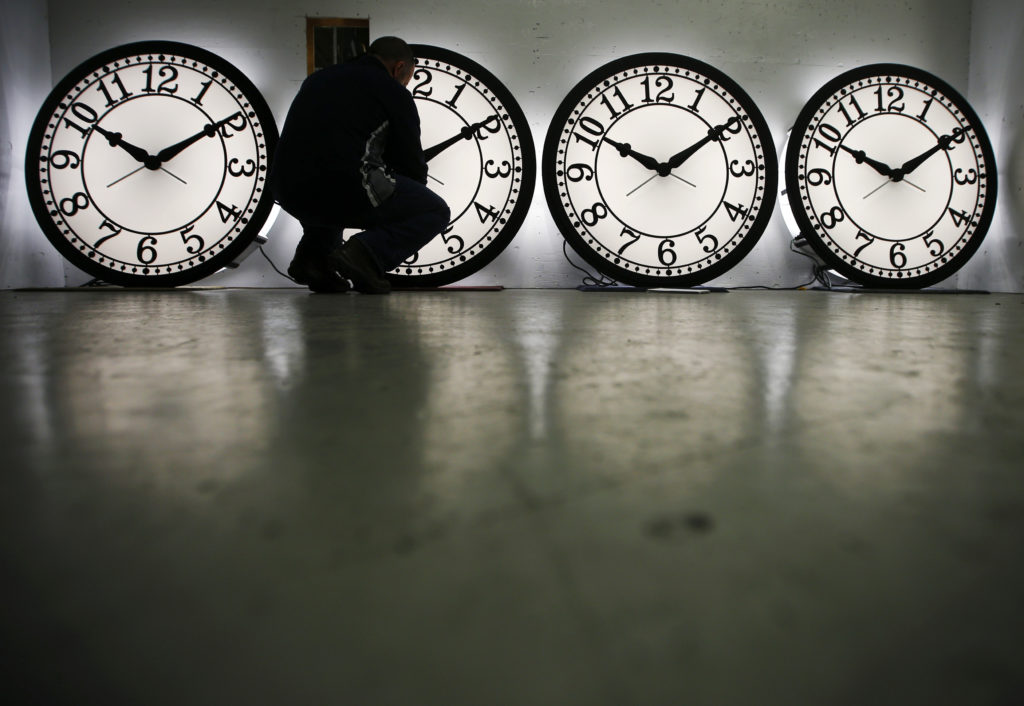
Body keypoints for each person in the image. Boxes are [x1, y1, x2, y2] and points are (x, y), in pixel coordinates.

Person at [269, 36, 450, 293]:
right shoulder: (392, 90)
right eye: (405, 80)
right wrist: (407, 196)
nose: (403, 85)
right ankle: (365, 254)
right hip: (345, 185)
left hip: (286, 189)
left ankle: (313, 260)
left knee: (332, 190)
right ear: (399, 68)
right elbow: (409, 160)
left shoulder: (318, 79)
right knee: (434, 211)